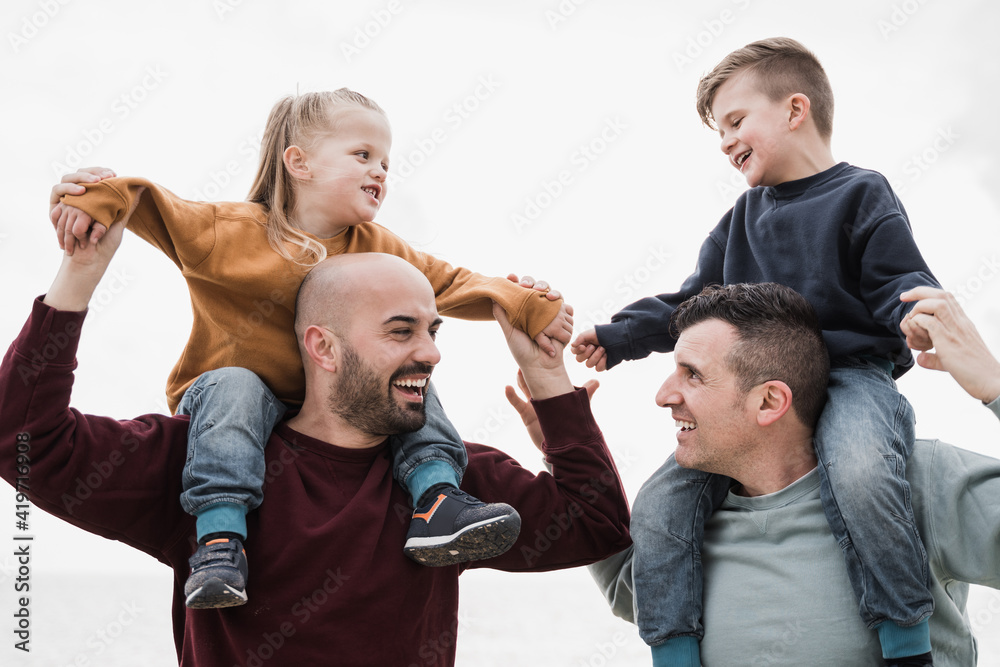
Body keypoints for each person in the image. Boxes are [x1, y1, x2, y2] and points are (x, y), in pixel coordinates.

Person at [0, 228, 631, 666]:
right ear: (322, 347)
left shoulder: (443, 492)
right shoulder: (205, 460)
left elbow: (596, 527)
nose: (432, 352)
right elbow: (22, 441)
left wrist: (549, 377)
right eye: (401, 331)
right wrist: (79, 275)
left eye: (433, 331)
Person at [46, 88, 573, 608]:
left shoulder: (378, 249)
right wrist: (98, 196)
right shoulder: (225, 232)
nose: (381, 172)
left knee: (407, 366)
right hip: (223, 409)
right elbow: (149, 202)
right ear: (298, 163)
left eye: (387, 161)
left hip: (326, 409)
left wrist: (524, 302)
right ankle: (220, 540)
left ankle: (436, 499)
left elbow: (453, 282)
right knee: (239, 384)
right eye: (363, 155)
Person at [571, 38, 939, 666]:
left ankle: (903, 638)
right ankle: (676, 649)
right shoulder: (741, 218)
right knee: (661, 503)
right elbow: (692, 304)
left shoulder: (861, 195)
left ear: (796, 109)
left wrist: (920, 319)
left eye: (735, 121)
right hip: (750, 398)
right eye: (718, 131)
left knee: (861, 472)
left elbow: (897, 280)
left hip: (851, 380)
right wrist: (618, 336)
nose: (724, 142)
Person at [589, 281, 1000, 666]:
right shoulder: (680, 524)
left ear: (770, 401)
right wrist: (557, 408)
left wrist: (994, 385)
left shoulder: (916, 482)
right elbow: (626, 582)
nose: (663, 396)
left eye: (692, 373)